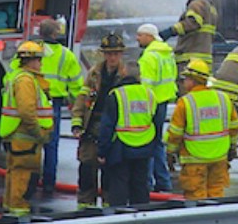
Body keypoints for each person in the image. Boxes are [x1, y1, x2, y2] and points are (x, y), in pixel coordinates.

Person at [14, 18, 85, 197]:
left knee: (31, 142)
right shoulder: (66, 55)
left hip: (31, 98)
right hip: (54, 103)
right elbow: (76, 84)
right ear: (56, 33)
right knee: (51, 144)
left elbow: (14, 72)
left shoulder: (29, 51)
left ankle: (30, 181)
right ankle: (48, 184)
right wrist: (79, 107)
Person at [166, 57, 238, 201]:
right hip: (219, 157)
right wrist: (232, 148)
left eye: (186, 78)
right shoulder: (223, 98)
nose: (184, 82)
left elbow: (175, 133)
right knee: (216, 195)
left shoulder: (185, 102)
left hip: (194, 159)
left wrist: (170, 153)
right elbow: (234, 127)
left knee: (196, 198)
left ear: (193, 80)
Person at [70, 32, 131, 207]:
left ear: (121, 55)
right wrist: (77, 123)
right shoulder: (94, 73)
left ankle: (108, 205)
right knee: (87, 168)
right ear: (103, 54)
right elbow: (82, 98)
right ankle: (85, 205)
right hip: (92, 125)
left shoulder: (126, 76)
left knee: (110, 169)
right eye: (109, 53)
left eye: (116, 53)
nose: (112, 57)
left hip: (114, 128)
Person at [0, 40, 52, 215]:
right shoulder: (26, 81)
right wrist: (38, 133)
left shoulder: (17, 76)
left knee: (15, 173)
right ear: (31, 61)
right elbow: (27, 111)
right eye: (39, 60)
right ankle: (18, 211)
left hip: (17, 136)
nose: (41, 63)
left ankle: (11, 207)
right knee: (24, 174)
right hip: (26, 138)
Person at [96, 66, 159, 207]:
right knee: (140, 186)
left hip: (121, 147)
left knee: (119, 186)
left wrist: (102, 151)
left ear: (123, 74)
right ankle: (142, 216)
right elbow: (156, 121)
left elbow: (107, 126)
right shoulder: (149, 94)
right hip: (144, 145)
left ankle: (118, 218)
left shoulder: (116, 95)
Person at [136, 23, 178, 192]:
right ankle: (163, 182)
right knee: (157, 143)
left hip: (150, 105)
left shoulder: (148, 57)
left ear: (149, 36)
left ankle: (147, 184)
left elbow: (145, 86)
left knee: (147, 143)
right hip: (163, 100)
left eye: (140, 35)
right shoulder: (166, 53)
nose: (137, 38)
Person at [167, 0, 218, 64]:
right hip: (204, 58)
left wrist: (170, 31)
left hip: (190, 59)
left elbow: (192, 23)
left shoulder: (197, 4)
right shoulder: (210, 6)